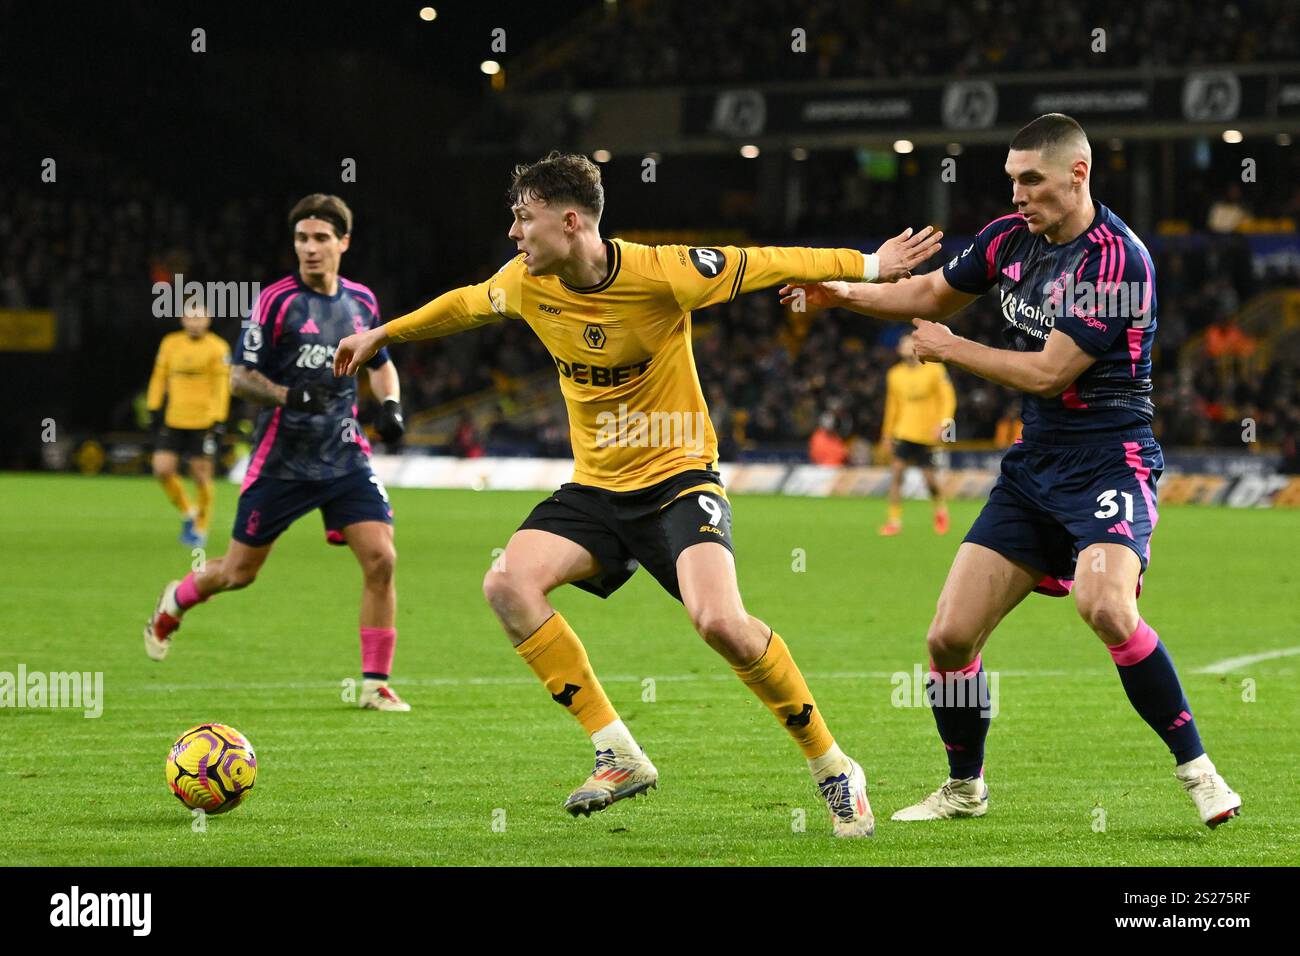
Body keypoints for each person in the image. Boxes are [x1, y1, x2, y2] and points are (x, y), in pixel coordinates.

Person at [335, 151, 943, 835]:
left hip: (679, 480)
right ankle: (617, 752)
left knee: (720, 622)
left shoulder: (665, 273)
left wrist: (866, 265)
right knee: (507, 583)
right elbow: (464, 305)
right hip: (595, 490)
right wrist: (384, 333)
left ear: (570, 222)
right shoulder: (527, 282)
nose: (513, 234)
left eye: (523, 218)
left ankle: (833, 766)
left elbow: (770, 261)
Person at [781, 114, 1240, 829]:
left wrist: (952, 349)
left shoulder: (1116, 260)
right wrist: (842, 293)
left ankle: (1200, 772)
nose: (1019, 194)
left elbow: (1053, 372)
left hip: (1108, 458)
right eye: (1012, 180)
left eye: (1032, 179)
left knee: (1107, 608)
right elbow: (930, 295)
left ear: (1077, 174)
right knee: (948, 637)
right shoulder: (1007, 239)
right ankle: (965, 787)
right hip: (1035, 465)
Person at [143, 194, 411, 712]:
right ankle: (177, 598)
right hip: (282, 458)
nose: (309, 249)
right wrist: (289, 394)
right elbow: (240, 376)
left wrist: (392, 405)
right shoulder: (274, 301)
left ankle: (374, 683)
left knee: (381, 558)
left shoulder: (362, 302)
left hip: (343, 454)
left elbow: (378, 363)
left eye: (321, 239)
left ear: (343, 243)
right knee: (239, 573)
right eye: (301, 239)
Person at [147, 303, 230, 547]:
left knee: (201, 475)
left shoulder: (218, 348)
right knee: (162, 469)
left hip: (203, 420)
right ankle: (188, 511)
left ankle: (201, 527)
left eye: (199, 318)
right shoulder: (170, 343)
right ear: (183, 320)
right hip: (174, 418)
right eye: (190, 318)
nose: (194, 322)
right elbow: (159, 377)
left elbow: (221, 388)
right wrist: (153, 407)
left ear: (208, 320)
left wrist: (218, 420)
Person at [878, 332, 955, 536]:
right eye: (902, 344)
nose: (906, 347)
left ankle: (940, 509)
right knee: (896, 474)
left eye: (909, 343)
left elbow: (948, 398)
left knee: (929, 480)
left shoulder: (935, 369)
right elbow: (892, 406)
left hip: (926, 433)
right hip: (903, 431)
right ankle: (894, 520)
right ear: (898, 350)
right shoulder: (894, 374)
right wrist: (886, 434)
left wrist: (944, 424)